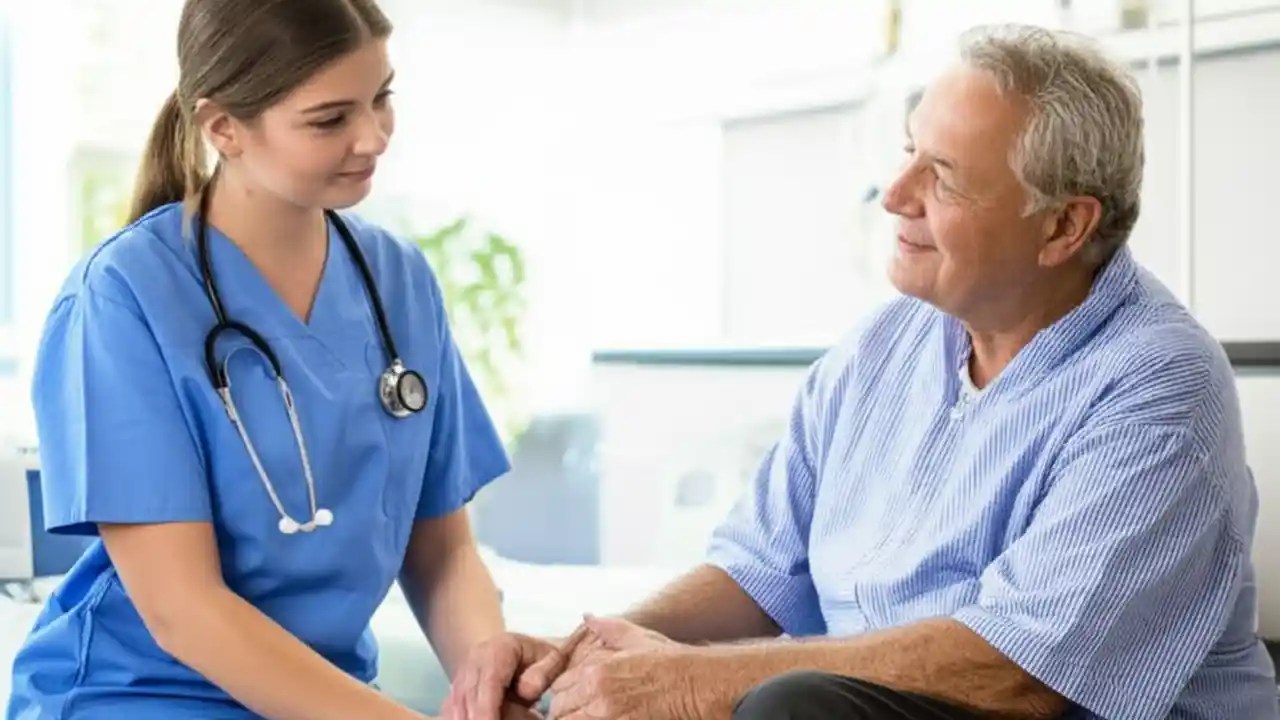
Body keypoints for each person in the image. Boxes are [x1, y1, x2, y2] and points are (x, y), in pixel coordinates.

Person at [444, 24, 1279, 720]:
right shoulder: (886, 346)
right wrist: (578, 659)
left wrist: (693, 680)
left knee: (788, 709)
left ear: (1063, 225)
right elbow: (761, 570)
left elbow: (1020, 670)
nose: (894, 193)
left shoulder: (1160, 388)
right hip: (862, 704)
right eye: (909, 151)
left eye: (942, 177)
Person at [4, 2, 529, 719]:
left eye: (382, 98)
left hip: (329, 697)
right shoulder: (124, 296)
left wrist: (488, 684)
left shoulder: (398, 282)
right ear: (223, 126)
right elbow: (184, 612)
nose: (372, 137)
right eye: (329, 119)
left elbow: (440, 553)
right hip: (141, 695)